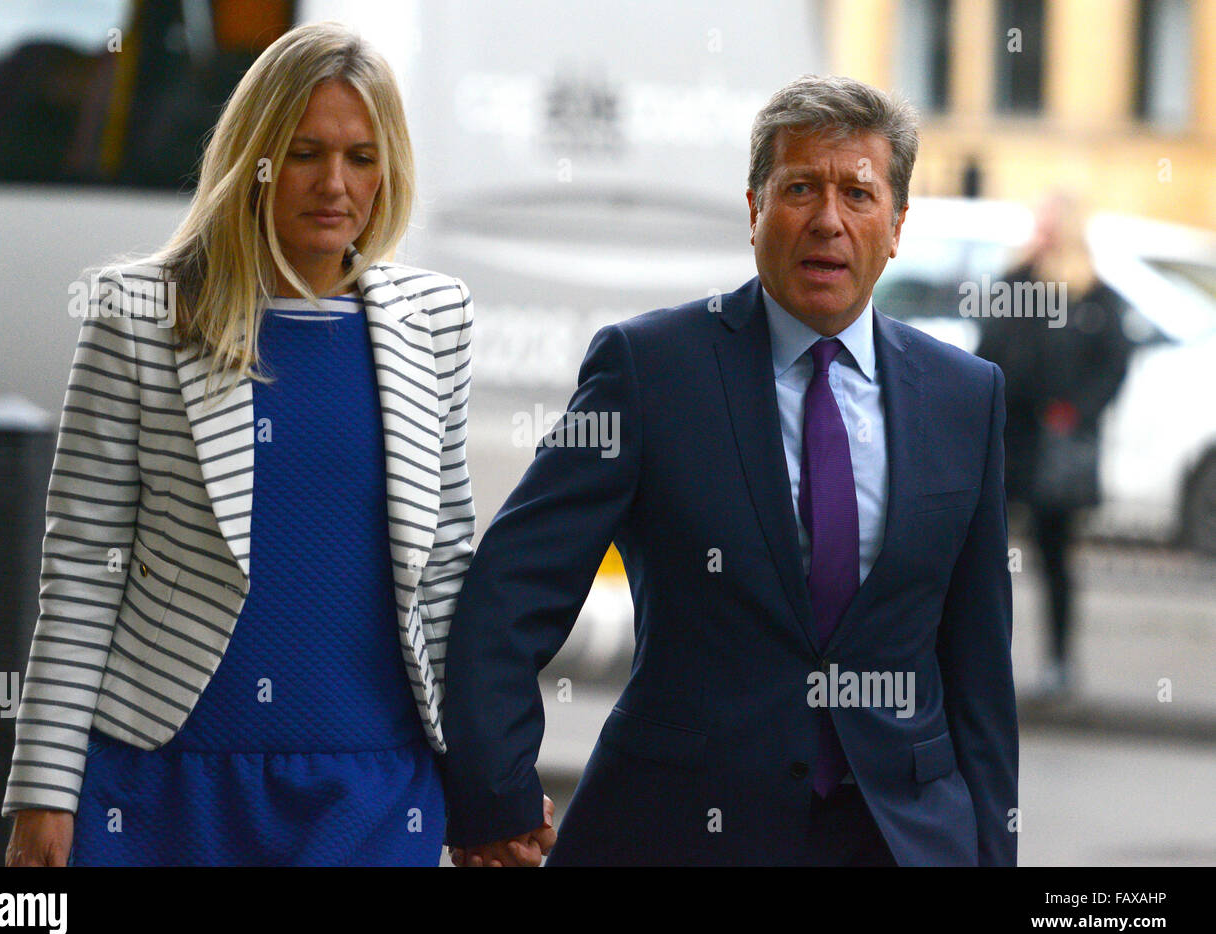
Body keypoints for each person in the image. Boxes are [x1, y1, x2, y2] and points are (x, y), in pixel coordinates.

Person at [442, 74, 1018, 866]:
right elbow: (510, 592)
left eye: (857, 193)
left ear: (897, 225)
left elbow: (980, 671)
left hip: (901, 839)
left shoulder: (966, 396)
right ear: (753, 210)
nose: (827, 220)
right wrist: (492, 793)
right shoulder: (650, 371)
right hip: (678, 832)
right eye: (799, 188)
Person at [0, 22, 536, 866]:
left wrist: (489, 785)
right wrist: (44, 790)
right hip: (163, 784)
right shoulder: (137, 314)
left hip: (372, 792)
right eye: (303, 153)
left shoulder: (435, 319)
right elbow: (80, 569)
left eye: (362, 157)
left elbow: (444, 580)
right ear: (253, 157)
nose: (335, 185)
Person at [975, 192, 1132, 695]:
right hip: (1007, 441)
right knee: (982, 556)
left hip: (1057, 447)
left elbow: (1113, 365)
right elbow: (987, 351)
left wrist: (1077, 412)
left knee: (1055, 556)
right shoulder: (1016, 284)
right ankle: (976, 661)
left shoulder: (1094, 296)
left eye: (1045, 226)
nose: (1036, 235)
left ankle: (1059, 663)